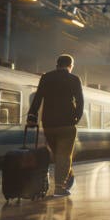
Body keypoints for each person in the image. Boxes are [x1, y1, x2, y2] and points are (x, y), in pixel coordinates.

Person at [27, 54, 84, 197]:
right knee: (64, 156)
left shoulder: (46, 77)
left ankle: (68, 178)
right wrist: (76, 118)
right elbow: (80, 101)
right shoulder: (74, 79)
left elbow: (38, 97)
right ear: (71, 66)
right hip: (67, 124)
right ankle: (59, 187)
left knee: (58, 155)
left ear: (57, 64)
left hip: (49, 124)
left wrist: (32, 115)